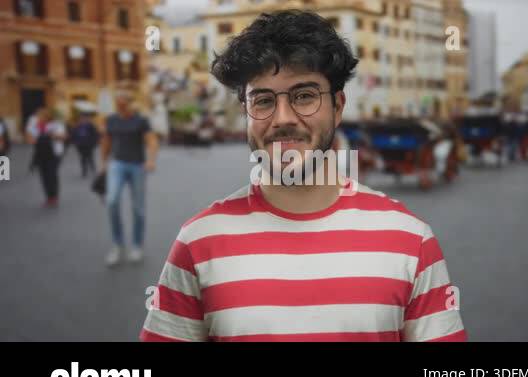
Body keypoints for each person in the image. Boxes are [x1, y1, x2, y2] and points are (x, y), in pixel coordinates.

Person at [140, 11, 466, 342]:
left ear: (338, 107)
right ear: (246, 114)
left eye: (304, 96)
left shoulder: (411, 241)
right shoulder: (197, 242)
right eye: (263, 100)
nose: (283, 118)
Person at [100, 90, 159, 266]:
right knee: (111, 201)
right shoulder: (111, 120)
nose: (120, 105)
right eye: (118, 102)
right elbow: (106, 141)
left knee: (138, 208)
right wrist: (103, 163)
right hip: (117, 164)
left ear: (129, 103)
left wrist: (150, 160)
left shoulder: (140, 121)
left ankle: (136, 245)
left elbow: (151, 141)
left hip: (137, 166)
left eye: (123, 102)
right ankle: (118, 245)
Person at [27, 108, 66, 207]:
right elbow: (30, 139)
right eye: (38, 116)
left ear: (47, 116)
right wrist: (37, 137)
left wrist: (50, 135)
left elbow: (63, 136)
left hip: (54, 154)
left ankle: (54, 196)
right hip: (41, 154)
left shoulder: (56, 124)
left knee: (51, 175)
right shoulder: (35, 126)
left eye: (41, 116)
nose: (39, 118)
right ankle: (49, 197)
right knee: (43, 176)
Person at [70, 111, 100, 178]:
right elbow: (73, 134)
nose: (82, 119)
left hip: (89, 144)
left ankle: (93, 169)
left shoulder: (90, 125)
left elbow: (95, 134)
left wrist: (94, 143)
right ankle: (84, 171)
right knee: (82, 158)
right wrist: (74, 142)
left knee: (90, 157)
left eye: (84, 118)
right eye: (81, 118)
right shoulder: (77, 126)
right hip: (80, 144)